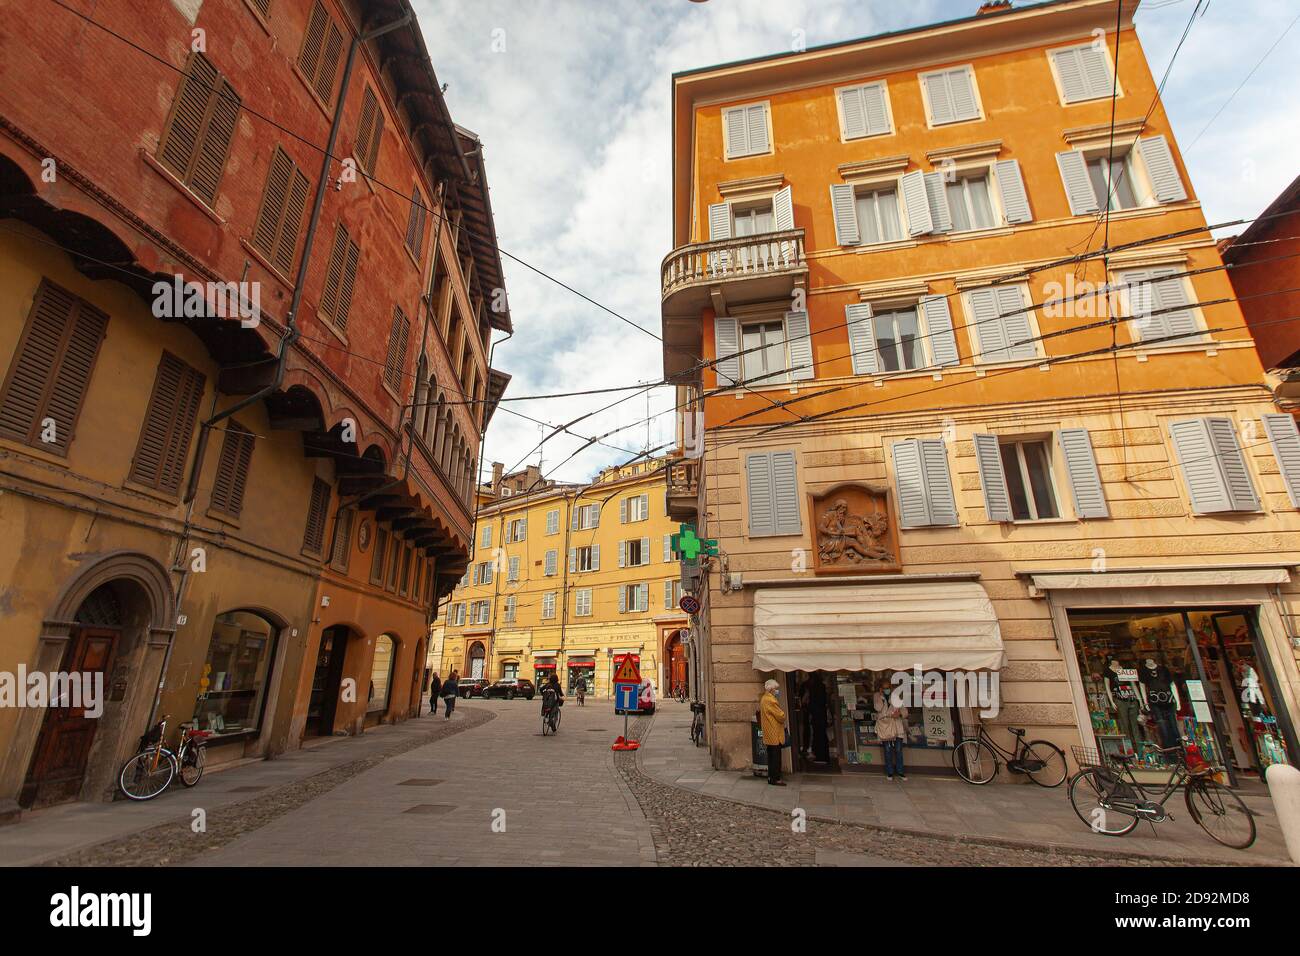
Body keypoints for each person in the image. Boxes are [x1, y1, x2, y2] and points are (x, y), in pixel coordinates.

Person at [873, 683, 909, 781]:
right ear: (881, 689)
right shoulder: (877, 696)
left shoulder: (895, 697)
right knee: (888, 750)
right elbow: (878, 708)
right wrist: (881, 697)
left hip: (897, 727)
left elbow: (905, 711)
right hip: (886, 728)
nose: (887, 690)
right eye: (884, 688)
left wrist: (900, 714)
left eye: (888, 688)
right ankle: (890, 772)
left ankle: (900, 772)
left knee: (898, 750)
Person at [758, 679, 788, 786]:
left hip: (768, 732)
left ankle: (771, 777)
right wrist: (783, 713)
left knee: (771, 757)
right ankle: (776, 778)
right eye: (776, 689)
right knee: (776, 757)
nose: (777, 691)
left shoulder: (763, 698)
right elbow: (781, 716)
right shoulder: (771, 700)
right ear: (771, 689)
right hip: (774, 732)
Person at [807, 672, 830, 764]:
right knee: (822, 735)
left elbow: (812, 704)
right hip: (822, 715)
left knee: (818, 735)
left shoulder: (814, 689)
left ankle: (820, 756)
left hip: (817, 716)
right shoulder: (822, 687)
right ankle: (824, 756)